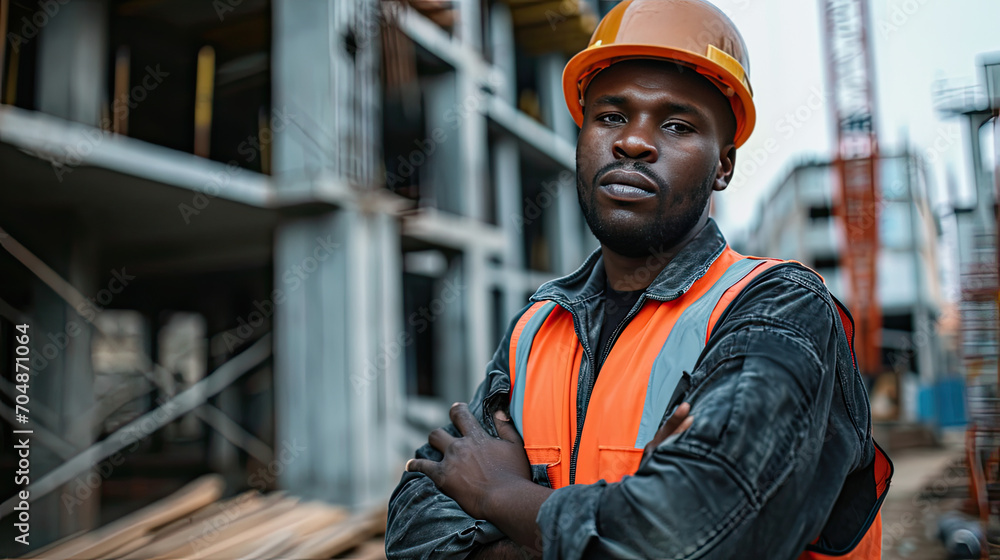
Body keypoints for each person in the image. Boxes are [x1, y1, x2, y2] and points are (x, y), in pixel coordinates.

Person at [385, 1, 892, 558]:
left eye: (676, 124)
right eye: (609, 116)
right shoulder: (538, 327)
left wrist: (499, 493)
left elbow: (687, 535)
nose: (632, 142)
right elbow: (413, 531)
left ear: (723, 165)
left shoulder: (777, 309)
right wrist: (615, 519)